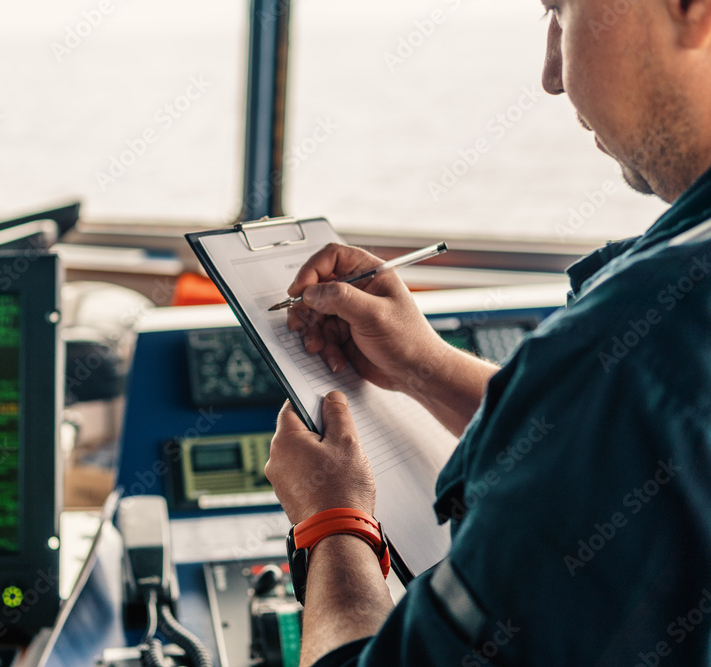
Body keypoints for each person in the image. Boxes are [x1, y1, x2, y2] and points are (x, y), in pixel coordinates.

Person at [263, 0, 711, 664]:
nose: (553, 73)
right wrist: (424, 367)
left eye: (564, 12)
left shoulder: (630, 354)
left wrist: (332, 521)